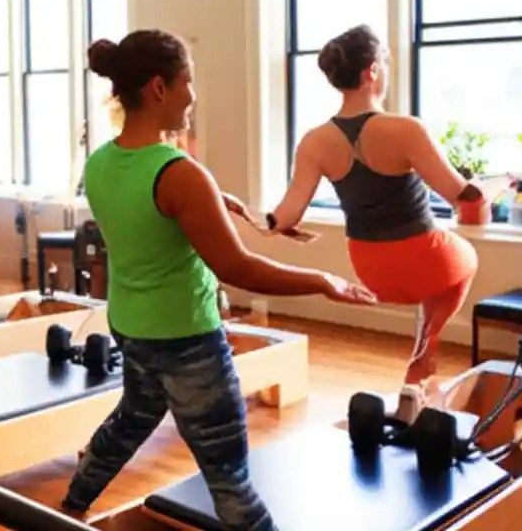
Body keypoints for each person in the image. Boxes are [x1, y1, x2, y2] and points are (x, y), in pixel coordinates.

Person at [60, 30, 377, 531]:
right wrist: (322, 281)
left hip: (130, 326)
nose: (194, 95)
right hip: (187, 342)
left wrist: (213, 199)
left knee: (134, 418)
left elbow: (145, 204)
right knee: (229, 478)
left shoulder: (100, 163)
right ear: (160, 88)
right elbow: (237, 267)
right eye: (188, 82)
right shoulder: (180, 173)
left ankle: (71, 505)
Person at [266, 24, 490, 424]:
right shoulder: (405, 129)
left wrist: (257, 220)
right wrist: (484, 196)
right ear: (371, 71)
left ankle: (420, 374)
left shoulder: (315, 141)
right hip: (423, 254)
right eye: (384, 64)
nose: (385, 72)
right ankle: (426, 351)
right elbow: (461, 197)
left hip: (370, 266)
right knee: (466, 257)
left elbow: (285, 216)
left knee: (436, 273)